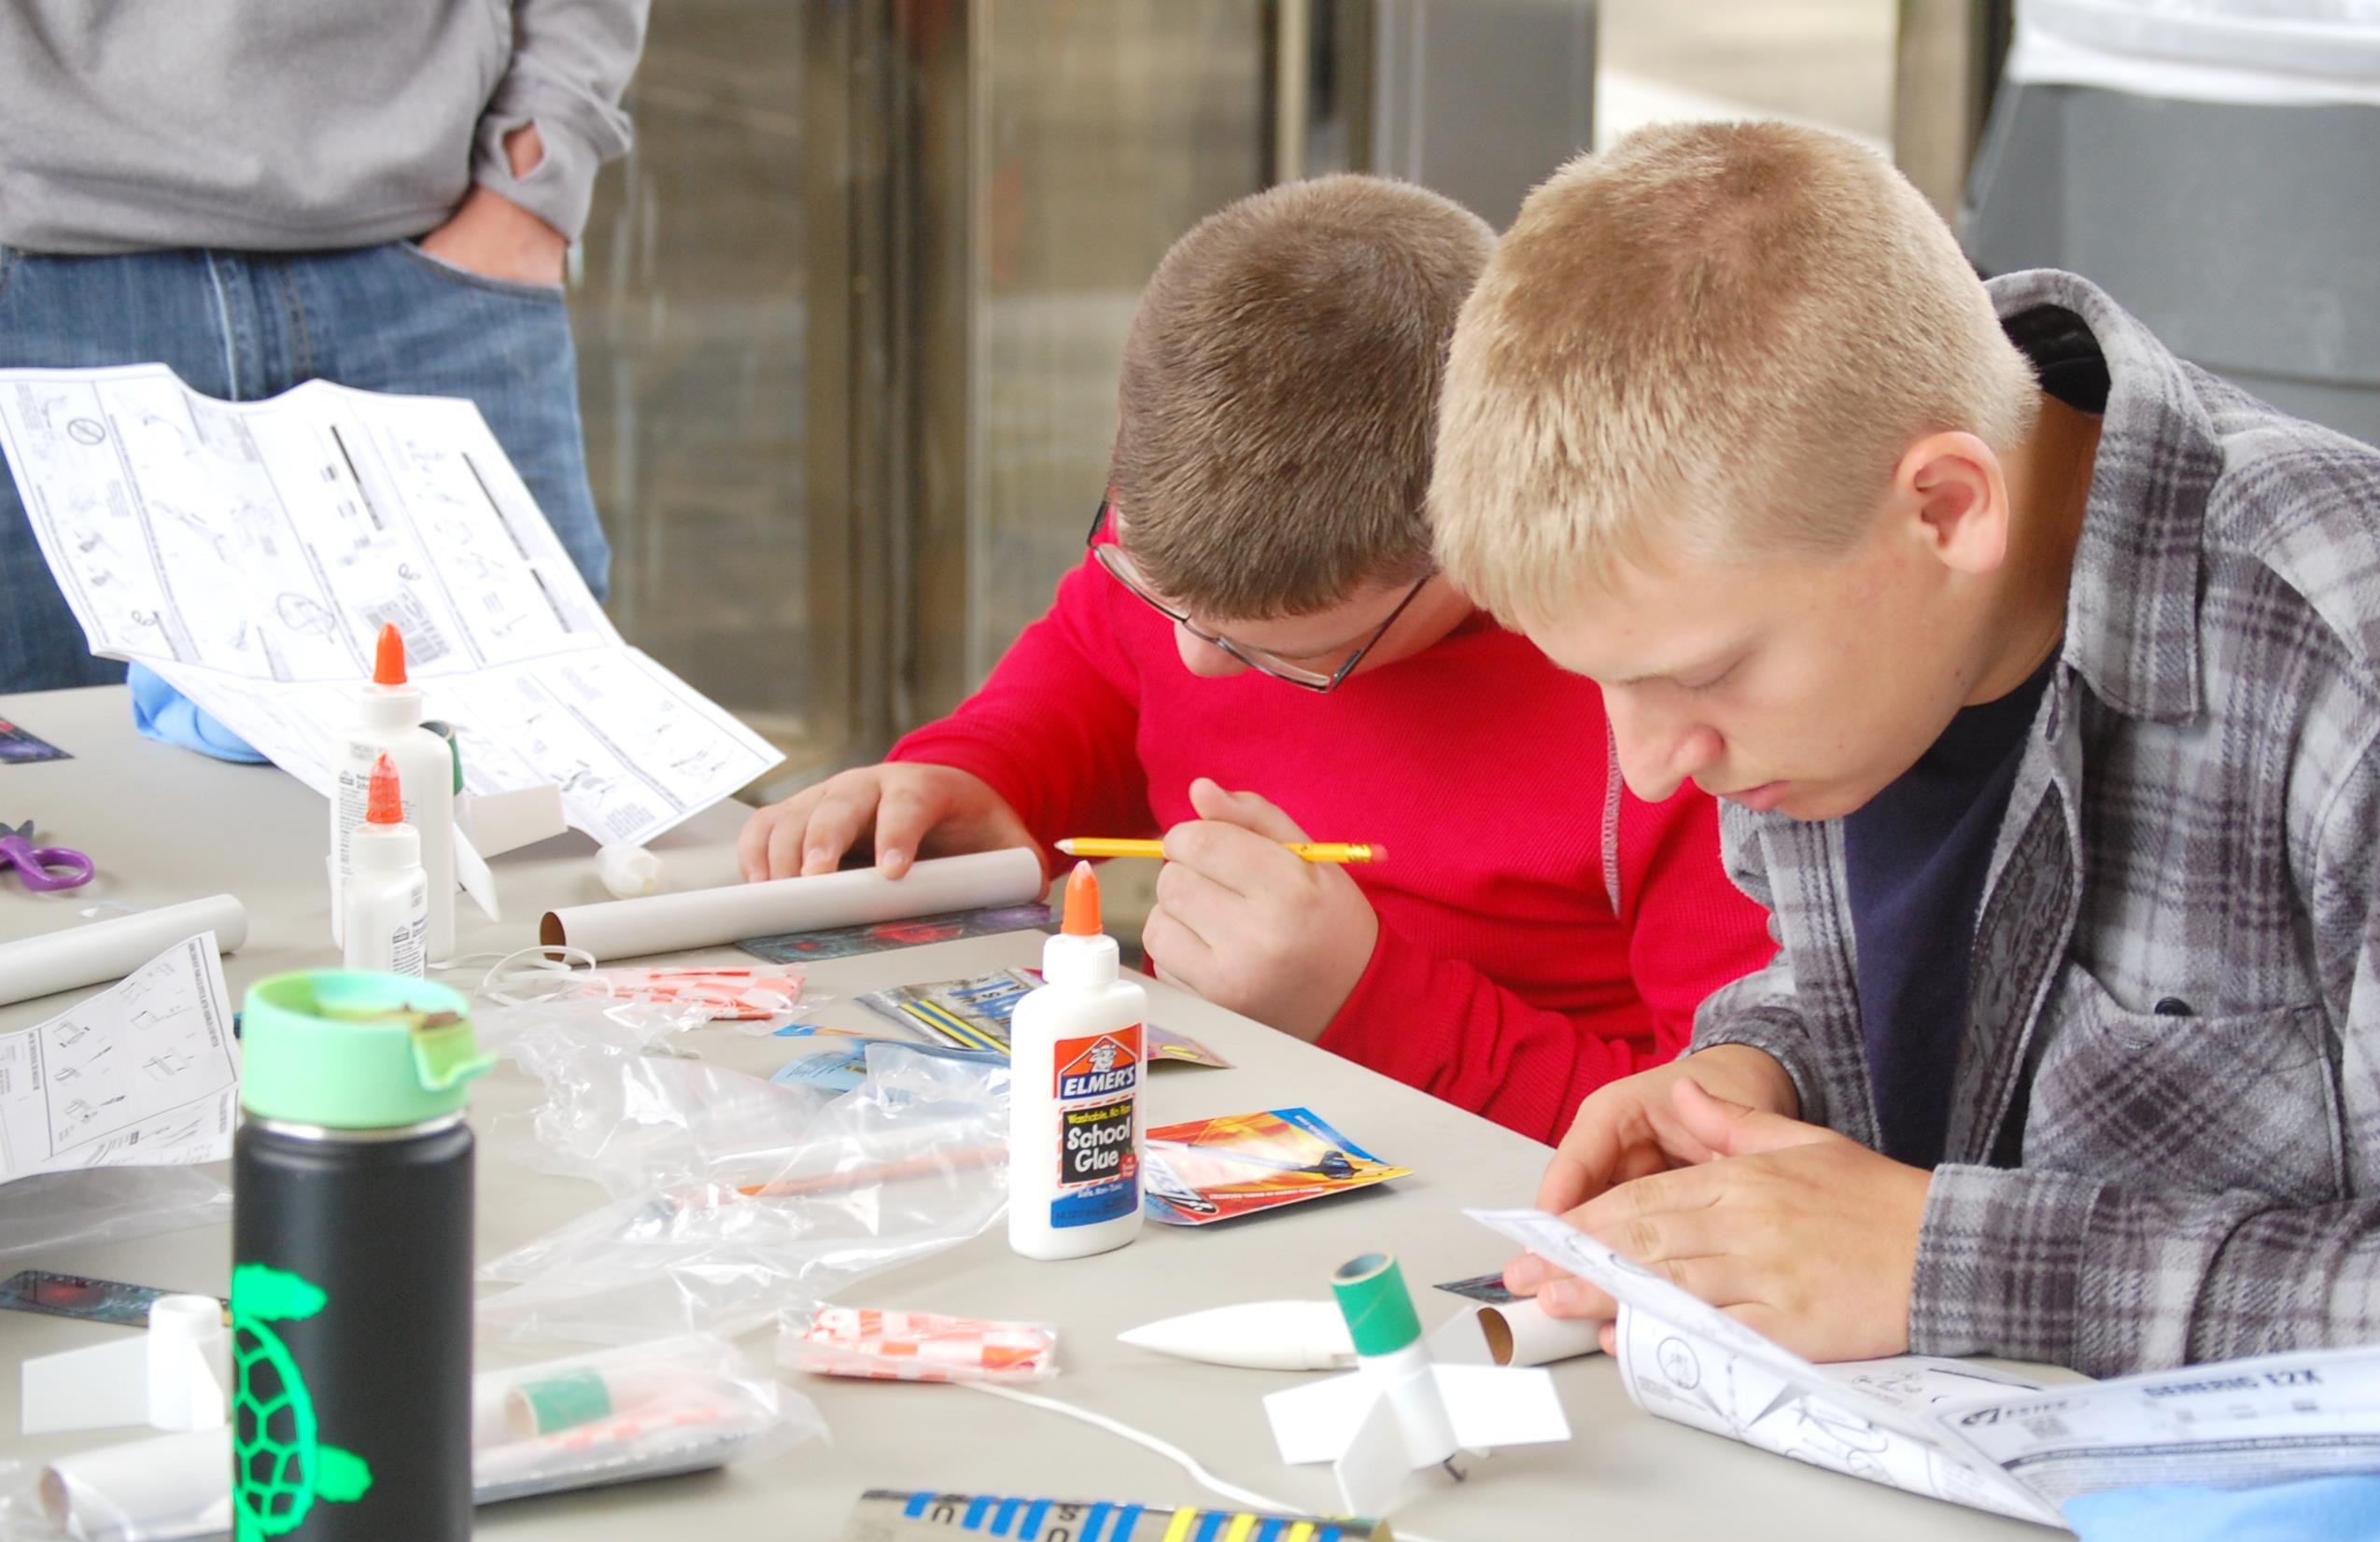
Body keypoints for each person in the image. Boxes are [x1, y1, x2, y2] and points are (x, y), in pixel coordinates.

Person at [1432, 122, 2380, 1524]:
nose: (1654, 766)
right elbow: (1915, 980)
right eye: (1602, 684)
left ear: (1948, 505)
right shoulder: (1846, 627)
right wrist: (1759, 1074)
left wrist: (1943, 1262)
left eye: (1703, 675)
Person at [739, 175, 1771, 1144]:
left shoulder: (1663, 703)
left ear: (1473, 542)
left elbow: (1700, 1141)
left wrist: (1364, 999)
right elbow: (1094, 673)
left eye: (1291, 654)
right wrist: (970, 776)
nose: (1191, 660)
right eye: (1151, 587)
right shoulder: (1197, 568)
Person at [0, 1, 648, 694]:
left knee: (526, 761)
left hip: (434, 264)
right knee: (65, 788)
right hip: (43, 268)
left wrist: (533, 185)